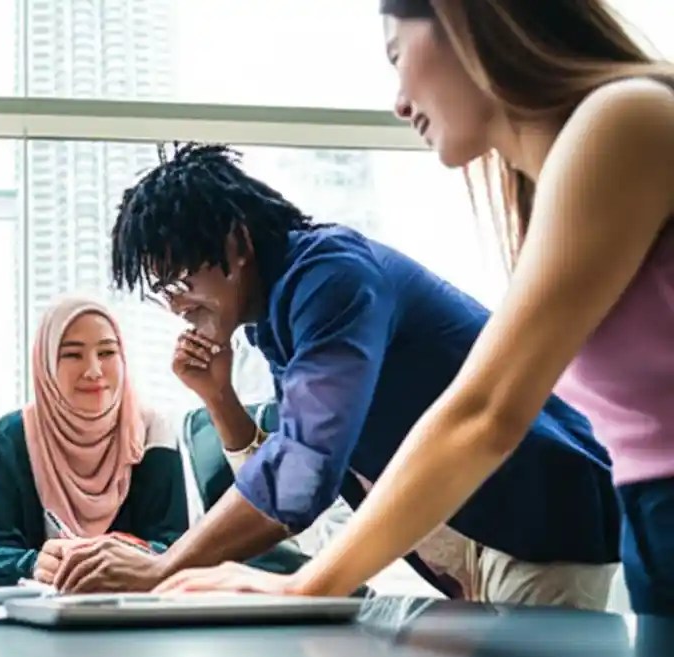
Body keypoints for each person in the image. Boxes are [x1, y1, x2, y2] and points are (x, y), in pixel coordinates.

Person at [156, 2, 674, 614]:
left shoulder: (624, 120)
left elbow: (483, 413)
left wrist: (298, 583)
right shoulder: (279, 325)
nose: (400, 102)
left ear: (463, 22)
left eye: (398, 58)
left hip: (559, 523)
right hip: (645, 521)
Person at [84, 142, 620, 608]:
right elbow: (293, 470)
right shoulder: (279, 316)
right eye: (162, 291)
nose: (177, 305)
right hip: (476, 529)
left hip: (538, 513)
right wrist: (219, 395)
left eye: (179, 279)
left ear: (236, 245)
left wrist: (166, 566)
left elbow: (303, 471)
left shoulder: (330, 277)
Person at [0, 296, 188, 588]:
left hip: (135, 617)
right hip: (38, 622)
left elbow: (179, 548)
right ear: (45, 364)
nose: (94, 370)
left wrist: (126, 557)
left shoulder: (152, 431)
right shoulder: (18, 433)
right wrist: (34, 564)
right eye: (72, 355)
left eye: (107, 352)